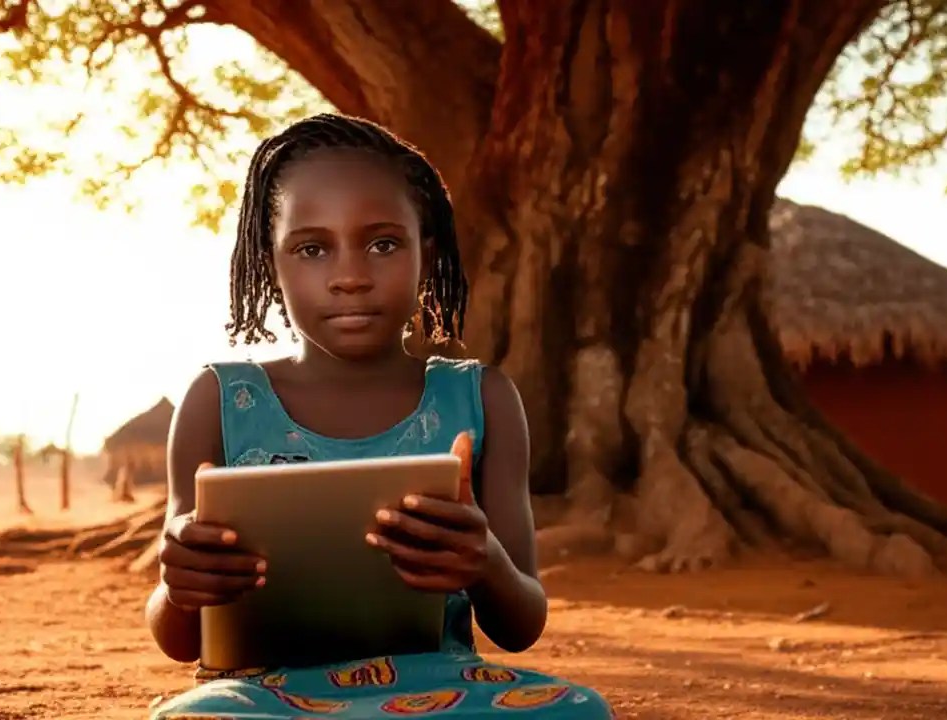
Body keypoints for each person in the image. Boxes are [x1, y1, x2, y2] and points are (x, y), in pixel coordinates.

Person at [145, 114, 613, 719]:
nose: (349, 277)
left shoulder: (481, 398)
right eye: (312, 248)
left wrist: (486, 561)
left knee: (577, 710)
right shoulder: (218, 400)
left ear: (428, 252)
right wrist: (181, 585)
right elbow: (177, 638)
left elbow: (521, 625)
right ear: (271, 262)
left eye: (383, 244)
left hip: (444, 690)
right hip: (266, 697)